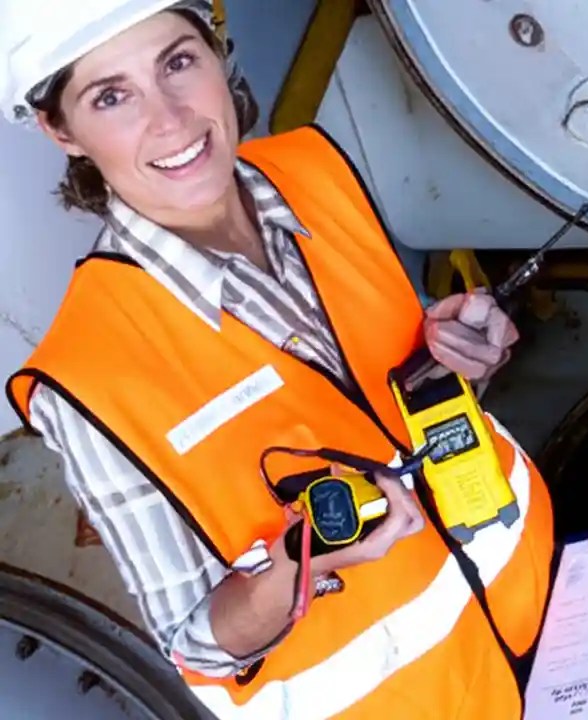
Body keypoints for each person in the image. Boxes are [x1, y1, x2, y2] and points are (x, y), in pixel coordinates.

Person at [0, 2, 555, 718]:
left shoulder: (315, 173)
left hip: (546, 608)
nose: (169, 119)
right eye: (112, 96)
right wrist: (299, 568)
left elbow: (393, 401)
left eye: (178, 62)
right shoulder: (86, 380)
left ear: (215, 50)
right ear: (61, 130)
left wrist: (463, 359)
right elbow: (197, 642)